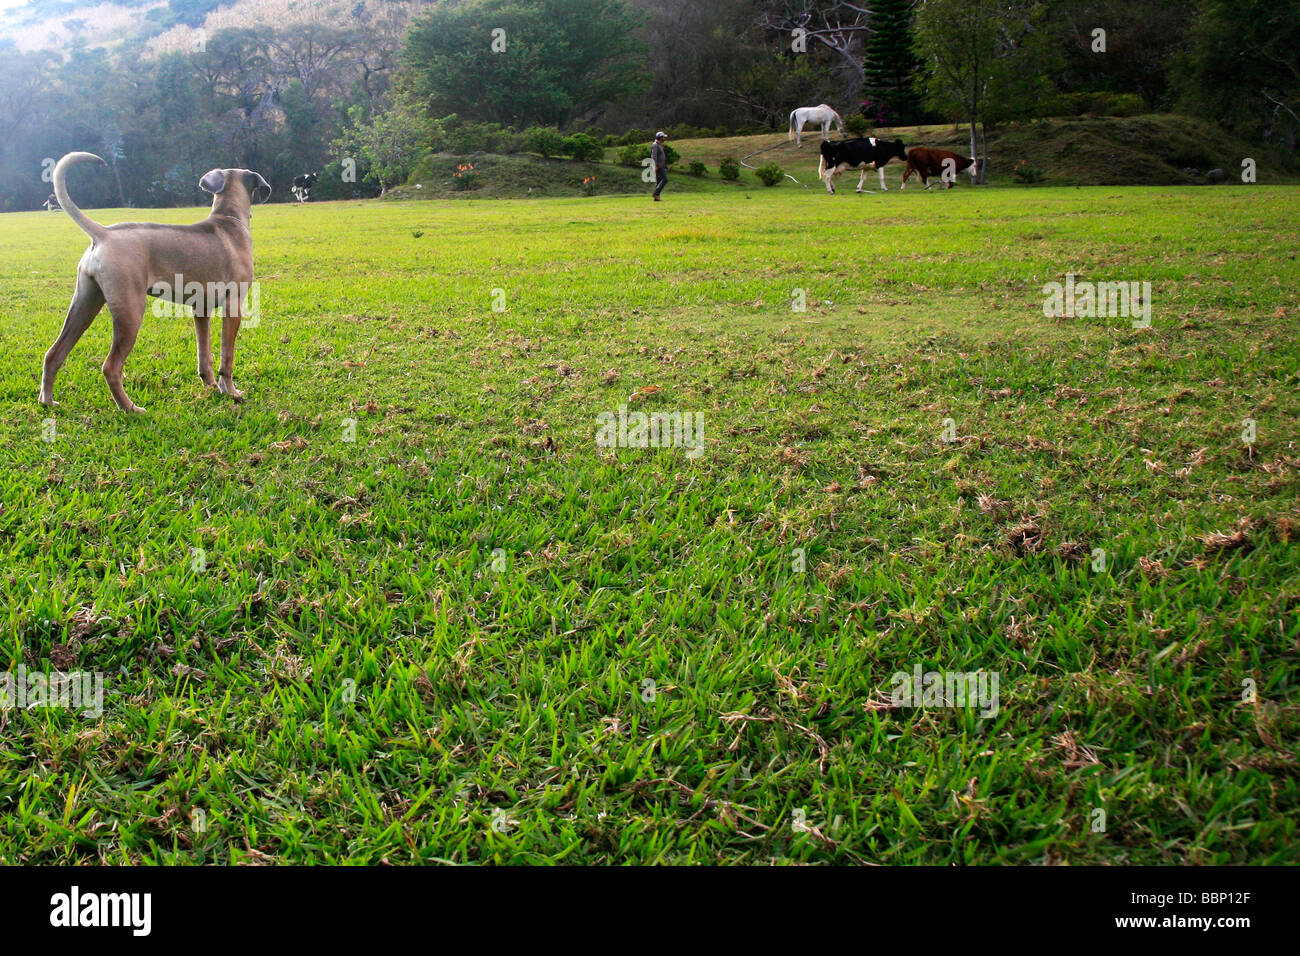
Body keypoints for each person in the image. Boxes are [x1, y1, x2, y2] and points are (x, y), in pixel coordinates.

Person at [651, 131, 668, 201]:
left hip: (661, 166)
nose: (665, 138)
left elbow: (661, 157)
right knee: (665, 179)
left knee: (658, 181)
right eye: (664, 137)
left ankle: (656, 198)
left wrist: (665, 165)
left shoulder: (660, 145)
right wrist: (655, 166)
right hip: (658, 166)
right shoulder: (655, 145)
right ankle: (655, 193)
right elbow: (654, 156)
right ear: (660, 137)